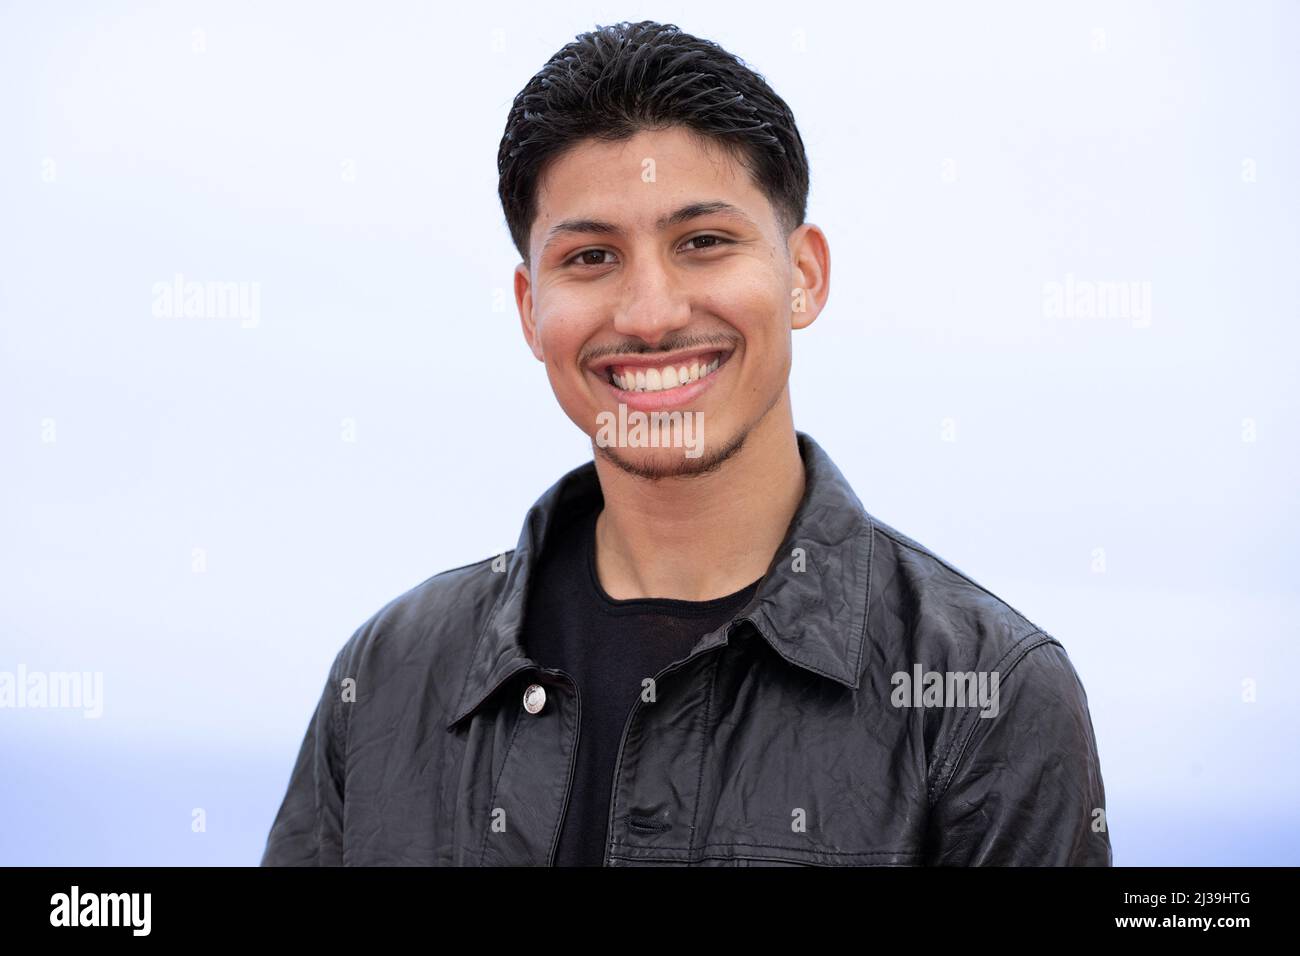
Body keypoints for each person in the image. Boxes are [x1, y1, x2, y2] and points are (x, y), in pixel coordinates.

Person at [261, 19, 1111, 867]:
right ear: (529, 308)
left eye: (702, 242)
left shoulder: (985, 694)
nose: (651, 313)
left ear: (803, 275)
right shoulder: (388, 676)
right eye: (592, 256)